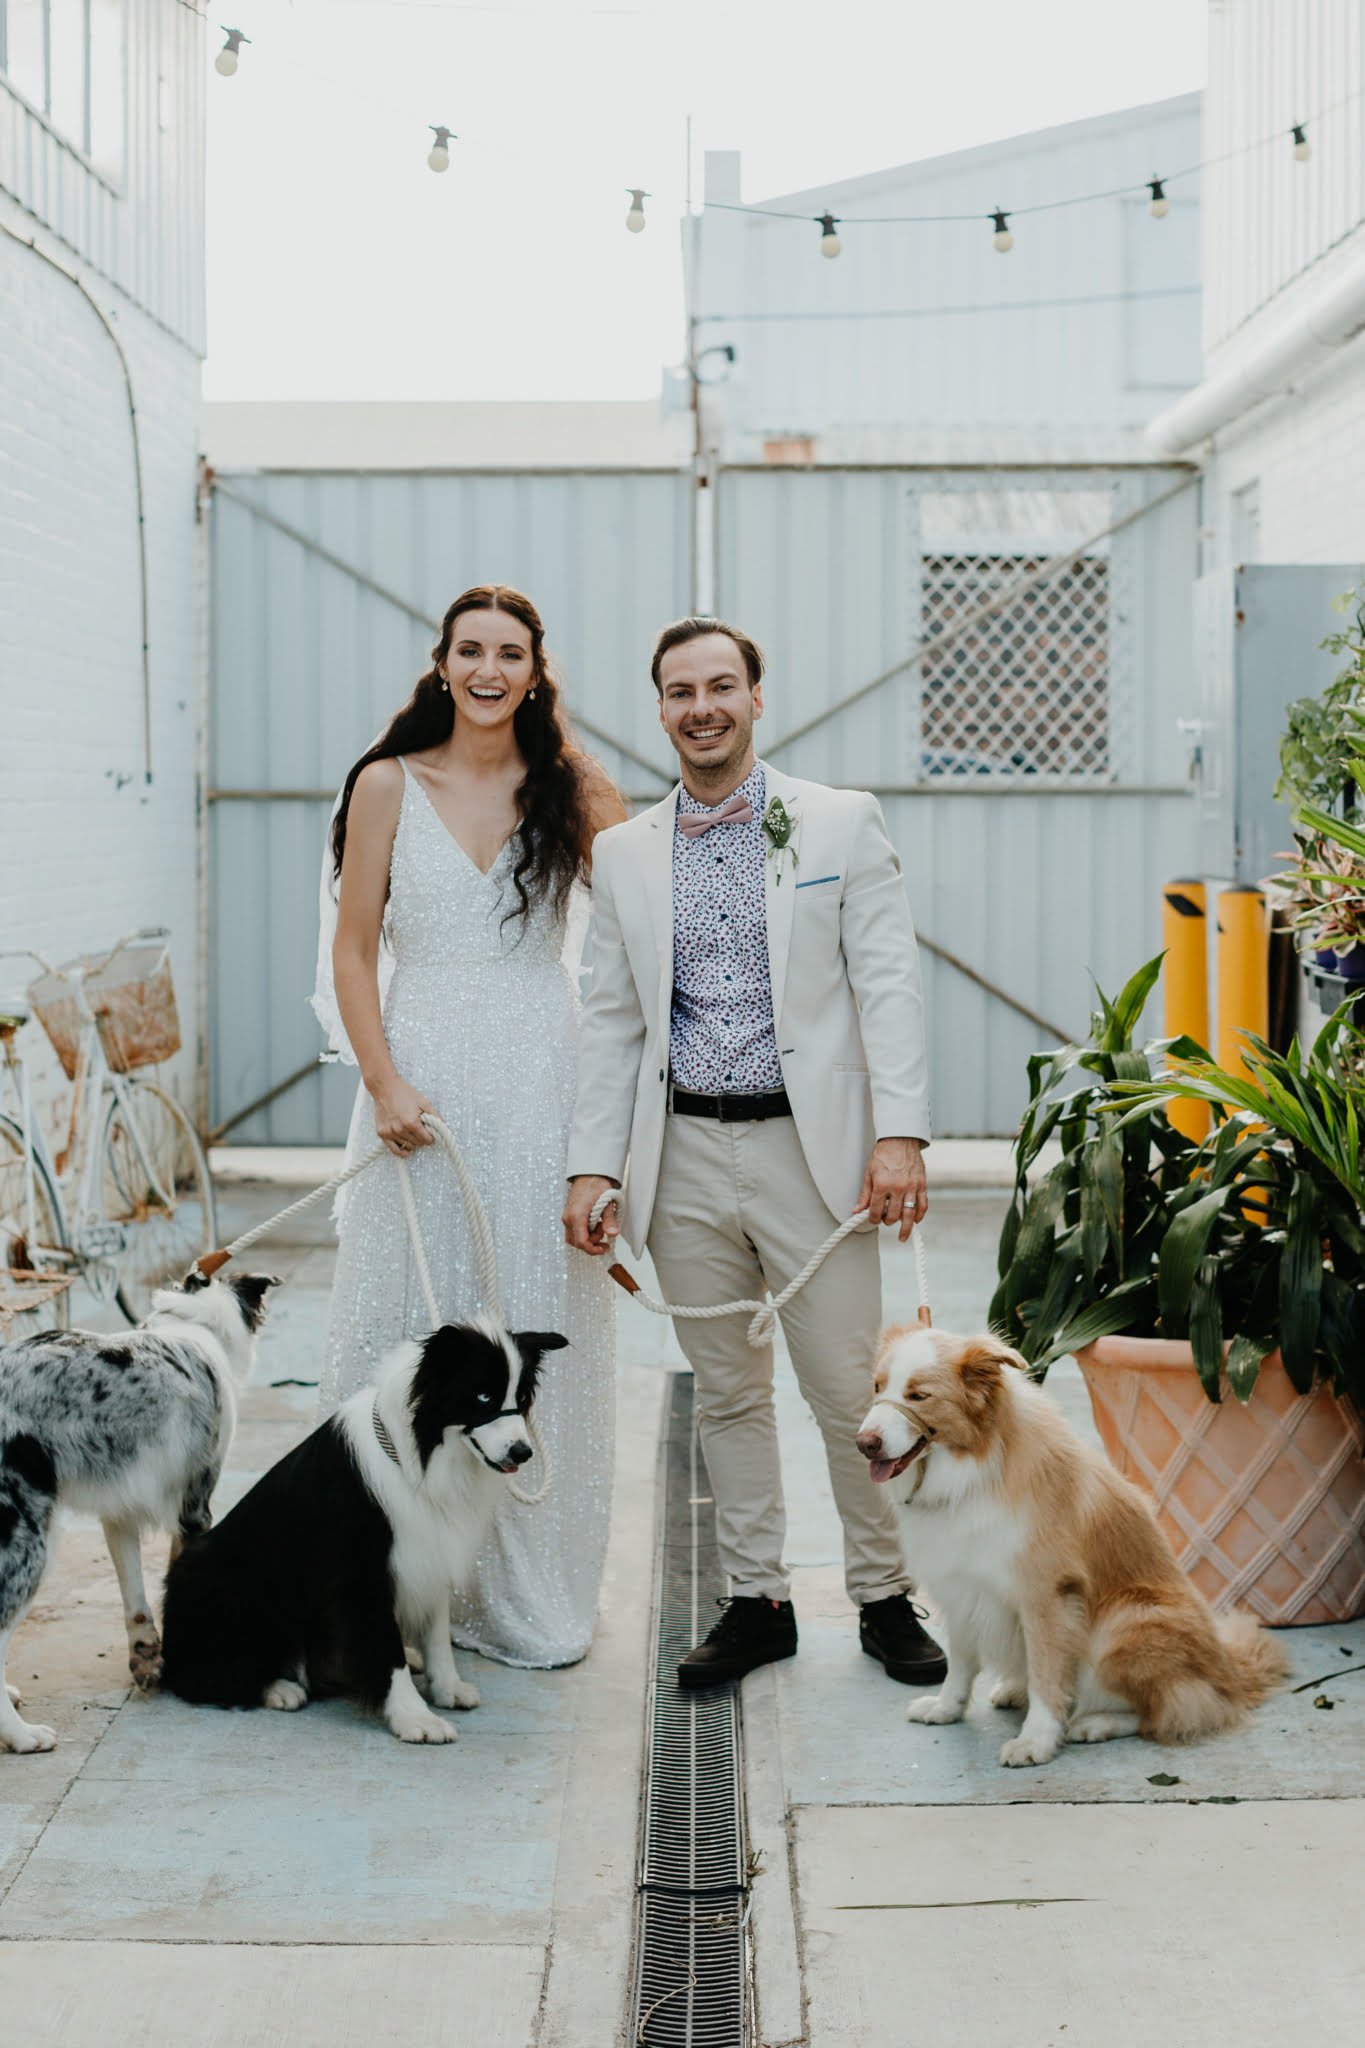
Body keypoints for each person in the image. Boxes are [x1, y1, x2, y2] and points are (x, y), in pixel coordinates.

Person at [563, 616, 947, 1690]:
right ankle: (757, 1599)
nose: (702, 707)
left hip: (811, 1151)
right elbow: (611, 1023)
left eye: (721, 685)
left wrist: (899, 1133)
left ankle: (882, 1596)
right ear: (660, 708)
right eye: (680, 690)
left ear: (756, 696)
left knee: (849, 1394)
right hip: (680, 1151)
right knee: (726, 1392)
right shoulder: (624, 853)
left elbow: (889, 986)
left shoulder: (836, 825)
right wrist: (593, 1163)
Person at [314, 584, 626, 1668]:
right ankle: (383, 1591)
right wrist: (385, 1079)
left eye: (510, 653)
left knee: (530, 1310)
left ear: (537, 671)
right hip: (423, 1078)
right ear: (442, 663)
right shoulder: (387, 782)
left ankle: (523, 1586)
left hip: (543, 1075)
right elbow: (358, 949)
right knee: (407, 1314)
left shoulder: (575, 788)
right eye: (469, 650)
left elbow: (643, 929)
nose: (488, 669)